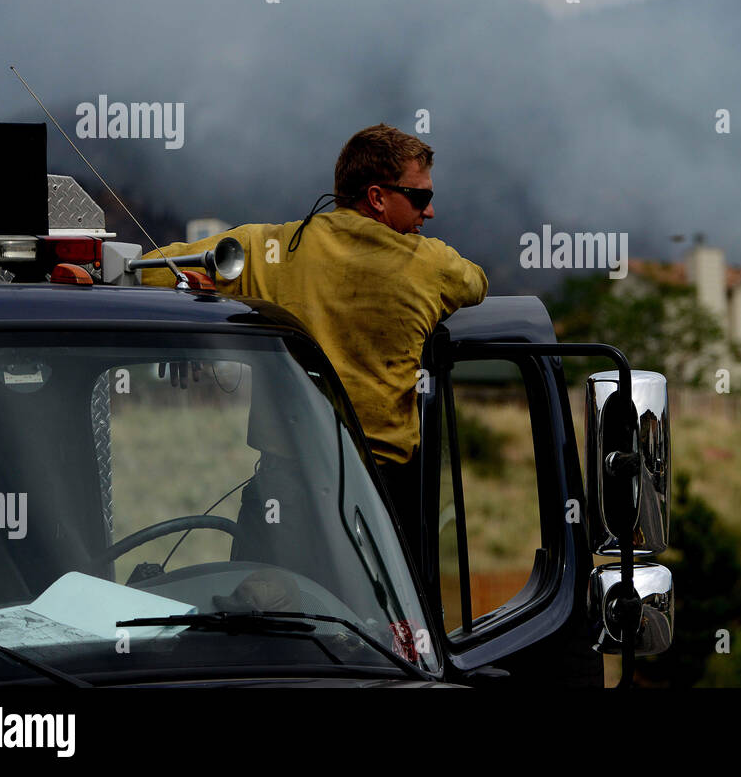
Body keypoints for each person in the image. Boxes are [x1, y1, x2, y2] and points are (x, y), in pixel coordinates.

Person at [137, 124, 488, 546]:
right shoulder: (431, 265)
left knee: (258, 603)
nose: (428, 212)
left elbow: (148, 269)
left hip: (287, 491)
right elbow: (475, 283)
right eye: (420, 198)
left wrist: (195, 290)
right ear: (376, 197)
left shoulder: (271, 249)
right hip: (382, 496)